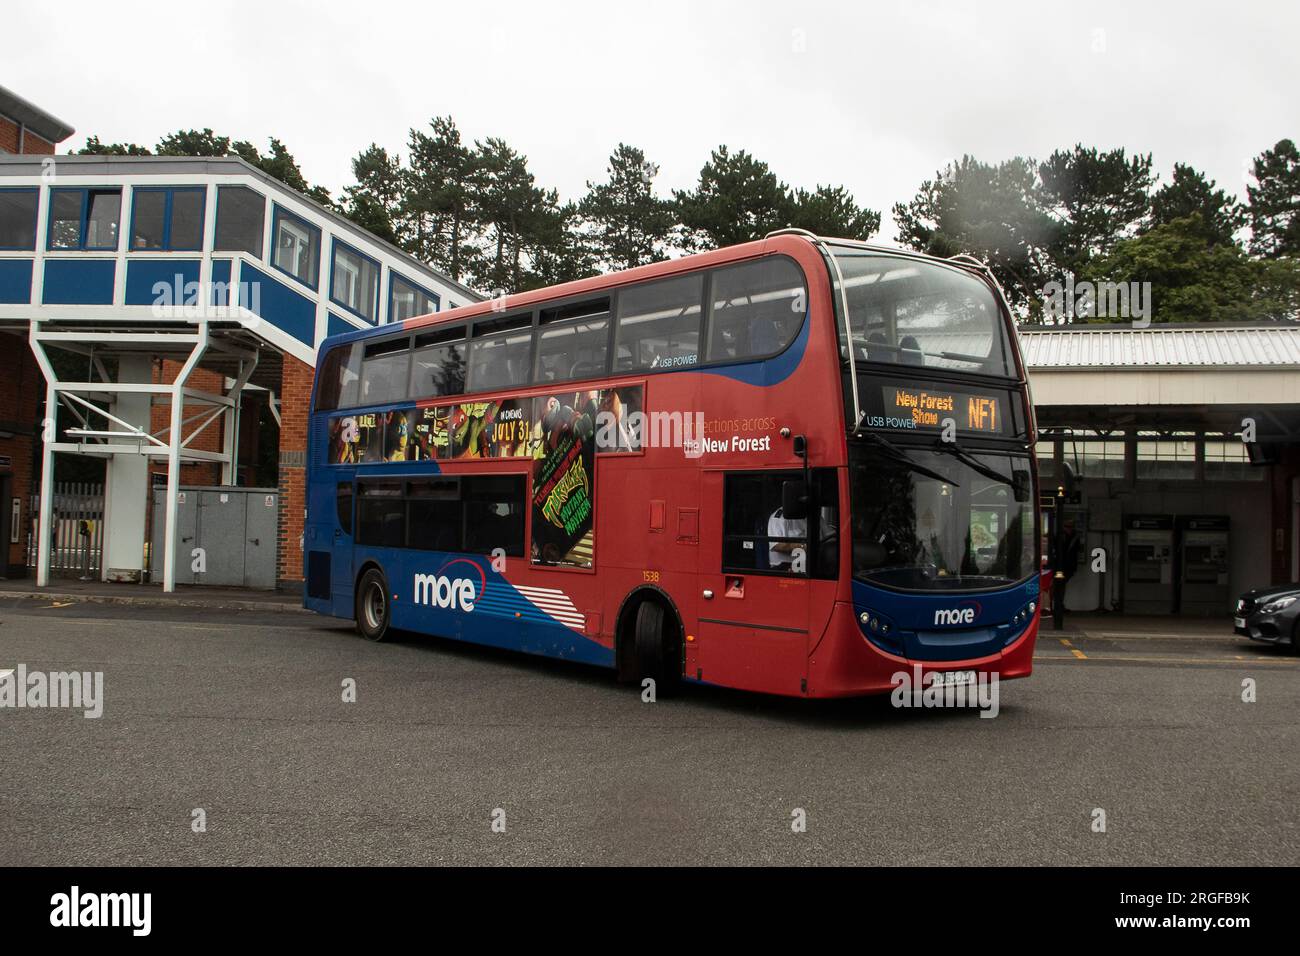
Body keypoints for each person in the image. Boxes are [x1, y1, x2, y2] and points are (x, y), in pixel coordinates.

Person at [767, 504, 807, 570]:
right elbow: (777, 546)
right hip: (786, 568)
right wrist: (804, 547)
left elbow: (828, 536)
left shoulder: (814, 515)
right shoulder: (779, 517)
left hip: (812, 565)